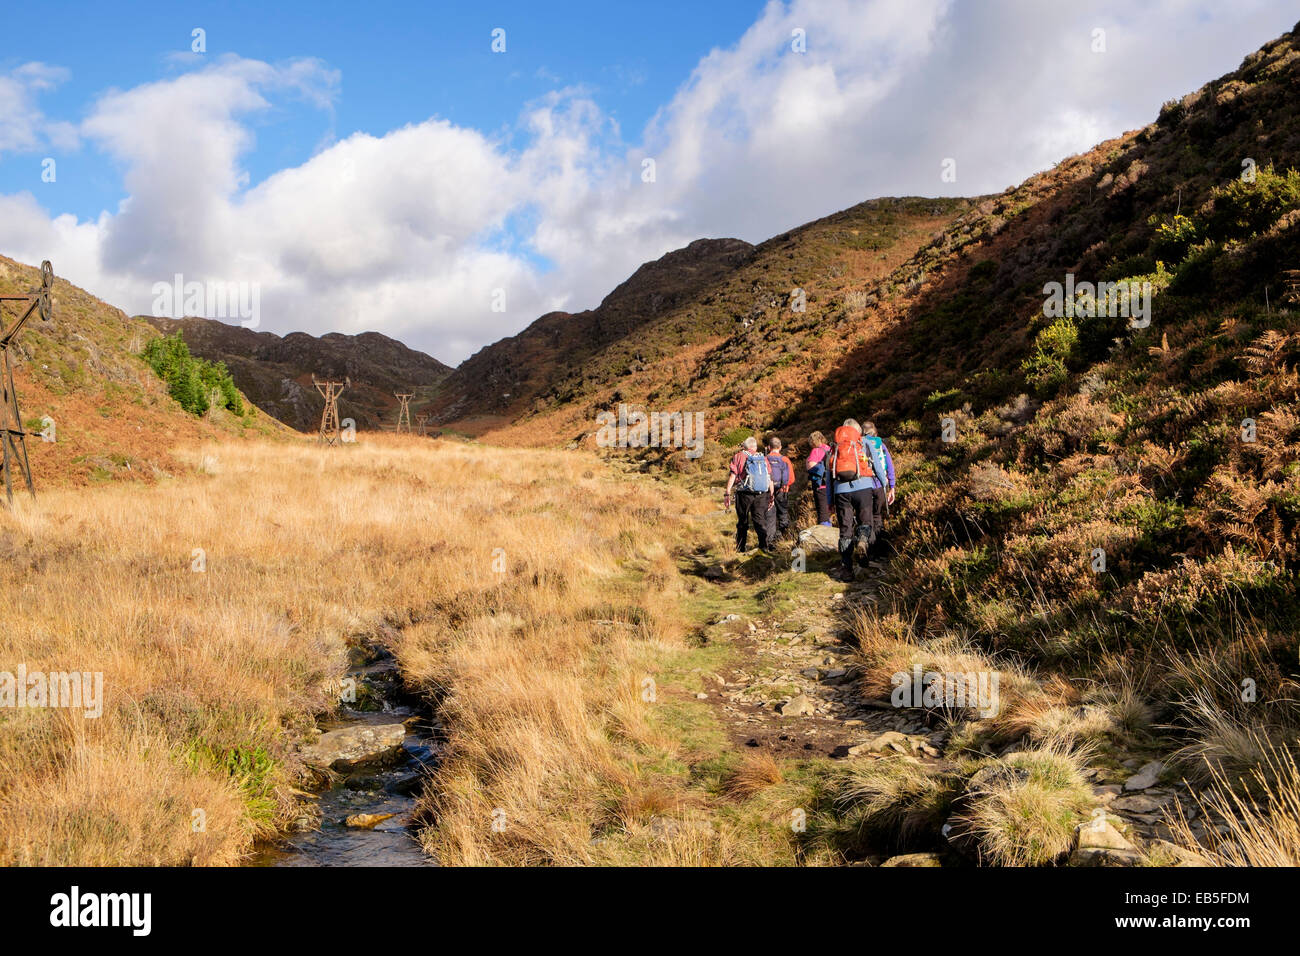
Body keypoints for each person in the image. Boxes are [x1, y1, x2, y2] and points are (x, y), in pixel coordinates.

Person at [823, 418, 880, 580]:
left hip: (841, 491)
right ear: (857, 431)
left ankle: (847, 568)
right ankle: (862, 540)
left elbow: (828, 478)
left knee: (845, 529)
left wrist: (830, 501)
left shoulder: (834, 447)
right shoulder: (864, 443)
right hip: (863, 488)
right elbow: (876, 467)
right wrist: (884, 485)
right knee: (866, 521)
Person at [724, 436, 775, 553]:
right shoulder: (762, 458)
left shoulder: (738, 456)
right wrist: (771, 495)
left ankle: (740, 548)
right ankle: (764, 546)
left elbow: (733, 475)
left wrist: (727, 493)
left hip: (744, 493)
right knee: (759, 520)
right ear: (755, 447)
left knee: (742, 520)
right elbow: (769, 477)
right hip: (761, 493)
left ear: (744, 447)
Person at [859, 421, 896, 541]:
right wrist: (892, 486)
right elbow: (889, 466)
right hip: (880, 484)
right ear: (875, 431)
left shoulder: (861, 444)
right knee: (877, 514)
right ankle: (879, 544)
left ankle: (868, 545)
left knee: (866, 517)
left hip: (865, 485)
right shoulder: (881, 445)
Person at [765, 437, 794, 541]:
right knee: (783, 515)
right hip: (783, 491)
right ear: (780, 447)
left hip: (768, 492)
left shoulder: (765, 459)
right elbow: (791, 479)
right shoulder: (785, 459)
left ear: (769, 447)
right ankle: (785, 538)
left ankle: (770, 541)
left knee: (770, 516)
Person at [805, 431, 833, 526]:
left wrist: (807, 461)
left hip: (821, 485)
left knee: (822, 512)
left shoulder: (816, 451)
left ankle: (824, 533)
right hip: (832, 484)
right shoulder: (829, 449)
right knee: (829, 510)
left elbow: (810, 466)